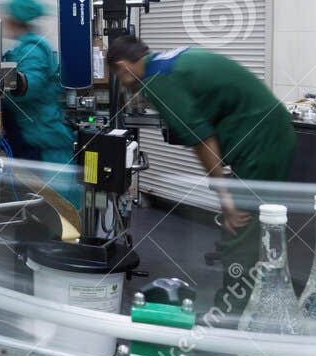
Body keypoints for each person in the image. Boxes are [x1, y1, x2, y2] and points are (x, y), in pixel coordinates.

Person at [107, 35, 296, 314]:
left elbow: (202, 139)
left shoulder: (158, 81)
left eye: (118, 75)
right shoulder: (167, 62)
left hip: (263, 143)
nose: (122, 83)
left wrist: (225, 197)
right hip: (269, 132)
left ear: (124, 66)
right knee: (254, 224)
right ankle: (257, 303)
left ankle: (231, 315)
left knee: (240, 226)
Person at [0, 0, 77, 176]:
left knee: (53, 204)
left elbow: (28, 84)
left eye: (7, 14)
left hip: (44, 147)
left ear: (16, 18)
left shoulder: (33, 48)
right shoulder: (20, 49)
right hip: (29, 142)